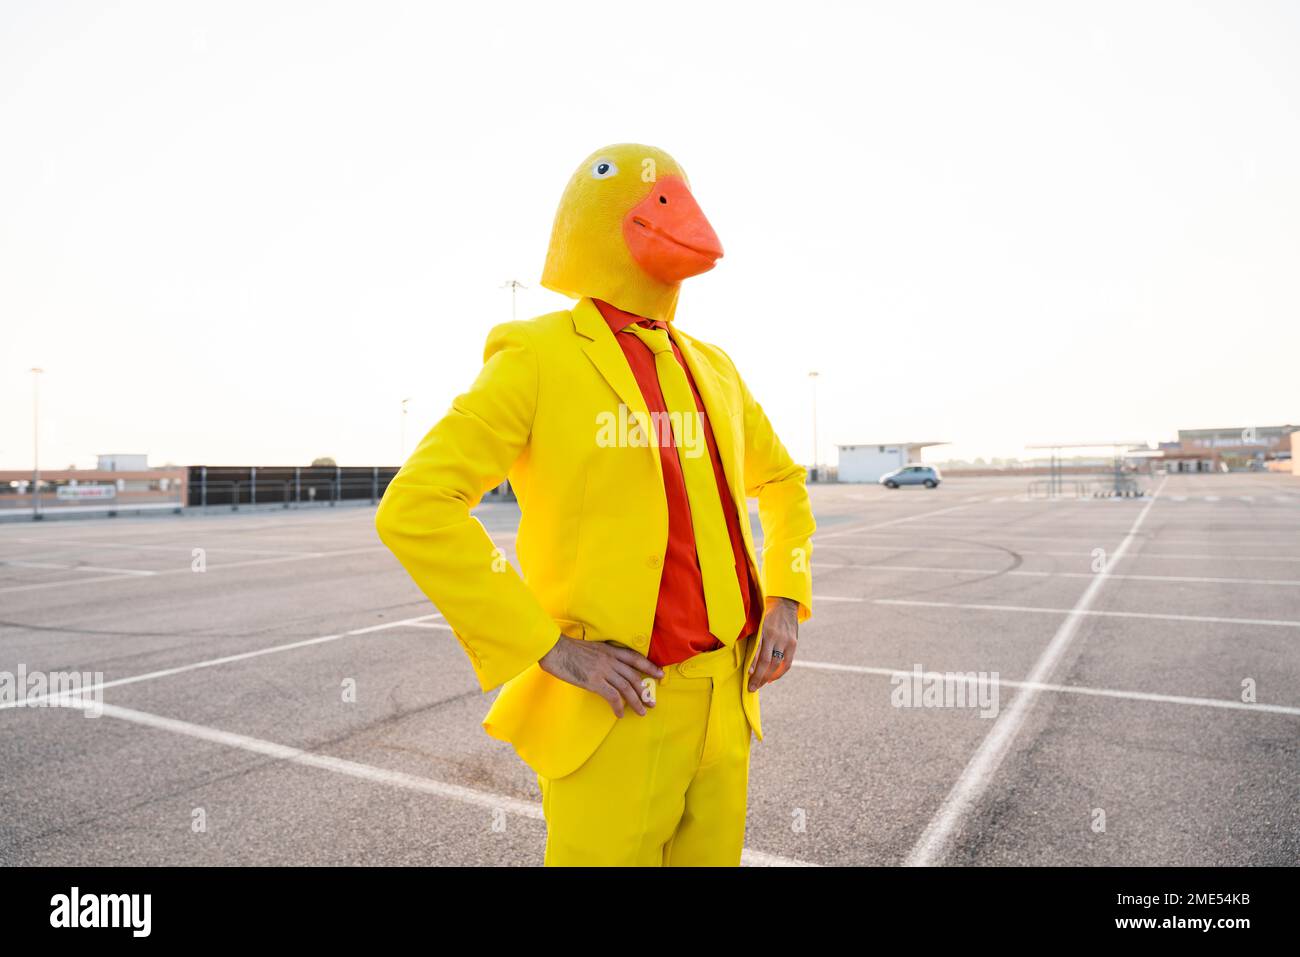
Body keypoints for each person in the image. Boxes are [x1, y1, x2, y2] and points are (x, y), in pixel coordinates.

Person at [375, 143, 815, 866]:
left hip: (728, 705)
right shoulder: (538, 355)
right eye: (645, 195)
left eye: (675, 192)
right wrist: (547, 647)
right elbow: (416, 504)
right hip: (617, 711)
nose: (670, 206)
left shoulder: (716, 366)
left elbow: (785, 484)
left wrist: (787, 598)